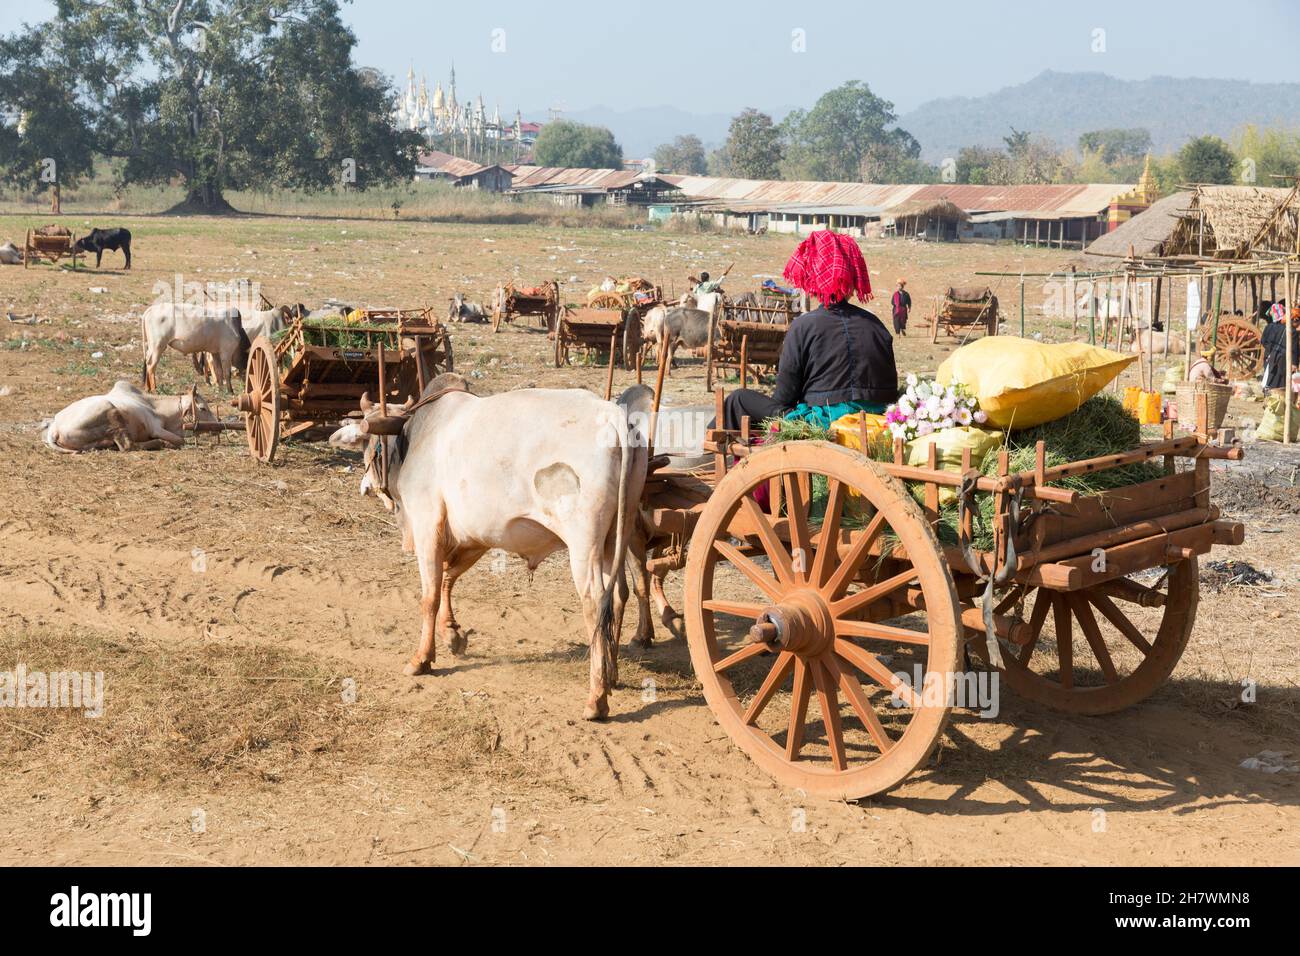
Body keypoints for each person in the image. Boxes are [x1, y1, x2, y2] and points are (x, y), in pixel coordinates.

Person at [716, 230, 896, 431]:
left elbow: (785, 397)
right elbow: (889, 391)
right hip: (875, 422)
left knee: (738, 399)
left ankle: (701, 455)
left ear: (813, 278)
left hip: (823, 423)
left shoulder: (803, 326)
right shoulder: (877, 326)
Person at [1261, 305, 1300, 394]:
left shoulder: (1277, 327)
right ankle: (1276, 397)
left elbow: (1266, 341)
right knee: (1280, 380)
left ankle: (1268, 395)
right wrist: (1294, 363)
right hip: (1284, 358)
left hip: (1273, 355)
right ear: (1295, 320)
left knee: (1271, 376)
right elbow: (1294, 348)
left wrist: (1270, 352)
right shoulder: (1293, 332)